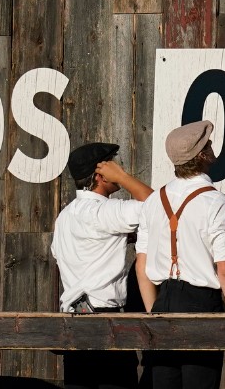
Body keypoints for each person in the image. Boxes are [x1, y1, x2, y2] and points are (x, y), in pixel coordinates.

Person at [131, 120, 225, 389]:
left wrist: (154, 313)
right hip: (200, 304)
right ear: (202, 155)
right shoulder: (214, 201)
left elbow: (141, 265)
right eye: (209, 144)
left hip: (162, 303)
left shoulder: (154, 200)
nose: (212, 146)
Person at [52, 141, 145, 389]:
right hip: (104, 322)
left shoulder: (65, 216)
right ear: (100, 174)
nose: (119, 168)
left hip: (73, 323)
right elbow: (158, 207)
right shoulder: (105, 212)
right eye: (113, 164)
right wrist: (124, 178)